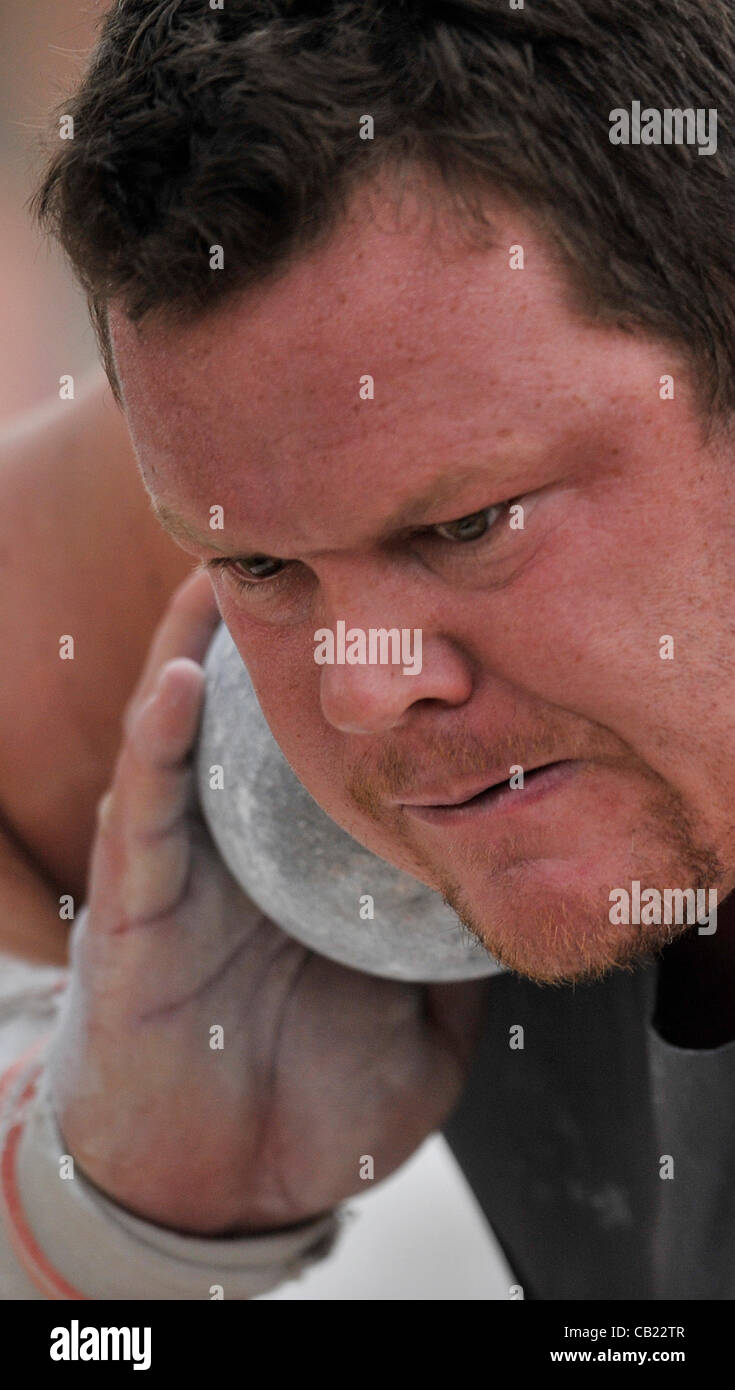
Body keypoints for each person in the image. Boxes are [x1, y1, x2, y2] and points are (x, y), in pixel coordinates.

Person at [1, 0, 734, 1300]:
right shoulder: (317, 420)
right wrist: (110, 1215)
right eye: (263, 569)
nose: (356, 687)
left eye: (467, 524)